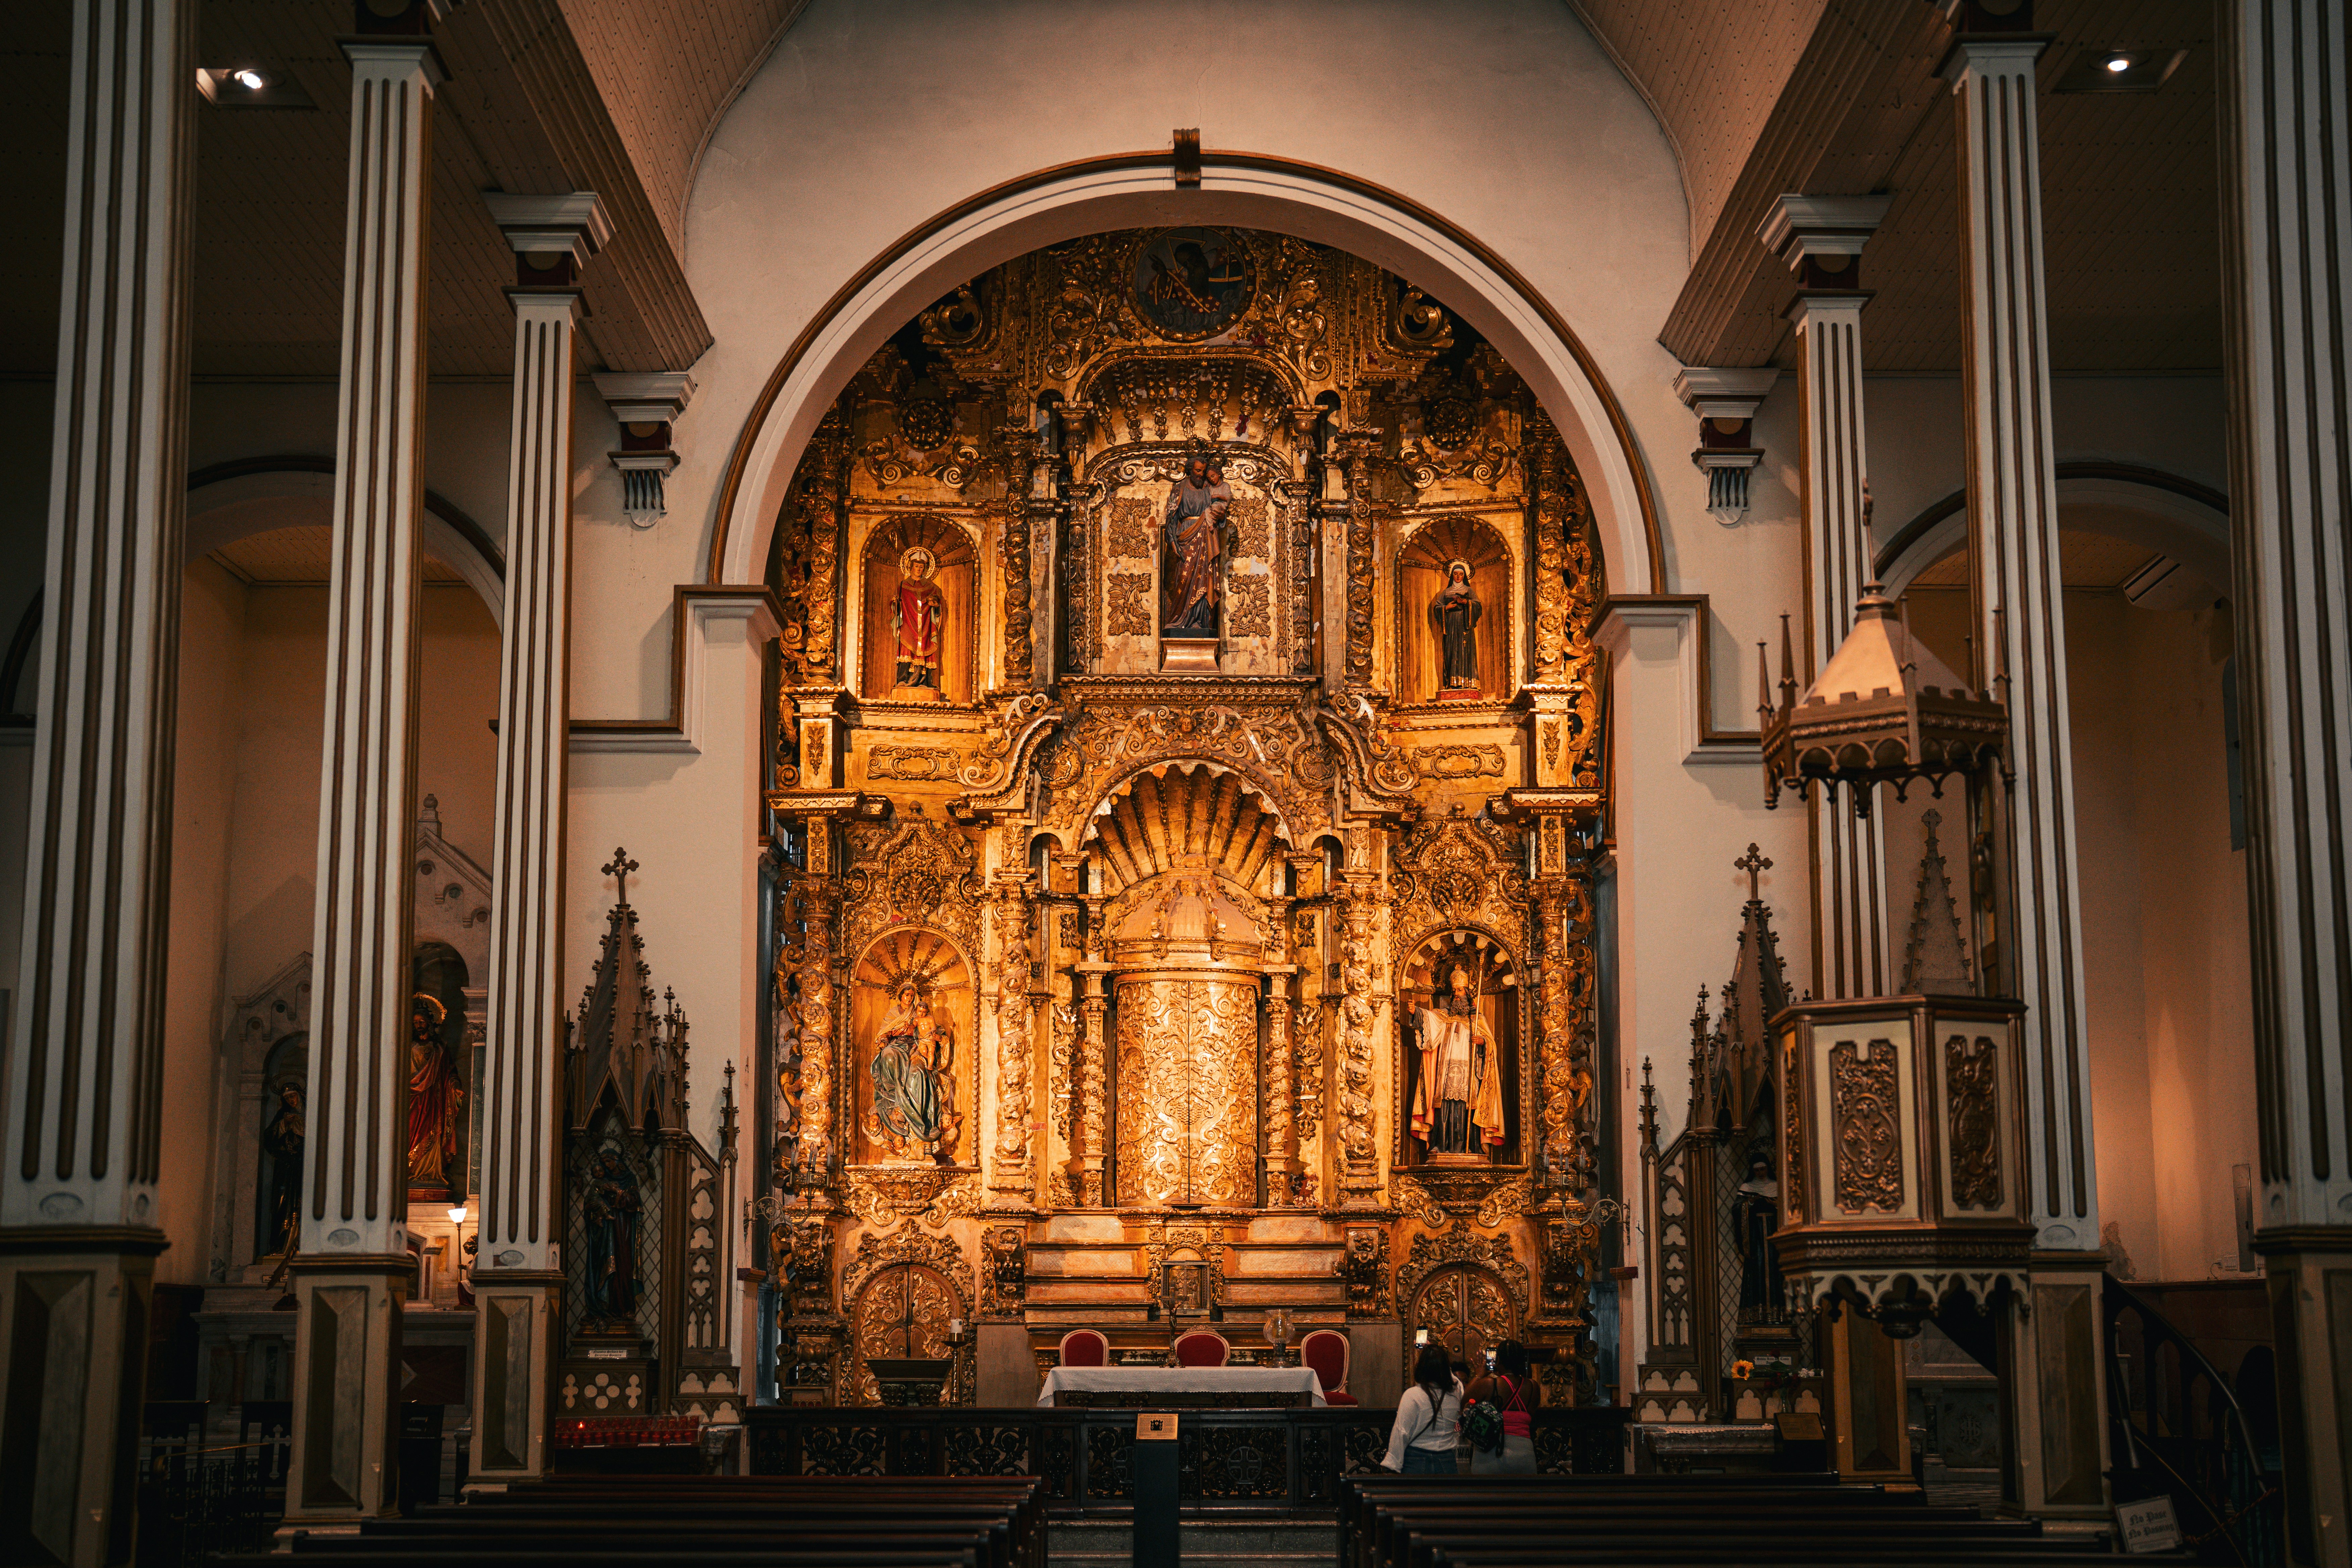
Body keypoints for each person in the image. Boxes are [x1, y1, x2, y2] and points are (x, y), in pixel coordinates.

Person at [1382, 1340, 1464, 1475]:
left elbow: (1401, 1432)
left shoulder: (1413, 1395)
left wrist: (1392, 1465)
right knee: (1446, 1497)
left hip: (1416, 1461)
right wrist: (1439, 1358)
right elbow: (1456, 1382)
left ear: (1421, 1367)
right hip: (1447, 1461)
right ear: (1446, 1367)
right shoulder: (1455, 1394)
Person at [1465, 1340, 1543, 1474]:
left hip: (1491, 1452)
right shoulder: (1533, 1387)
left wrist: (1479, 1375)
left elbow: (1464, 1401)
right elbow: (1531, 1413)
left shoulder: (1490, 1384)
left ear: (1498, 1359)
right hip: (1524, 1453)